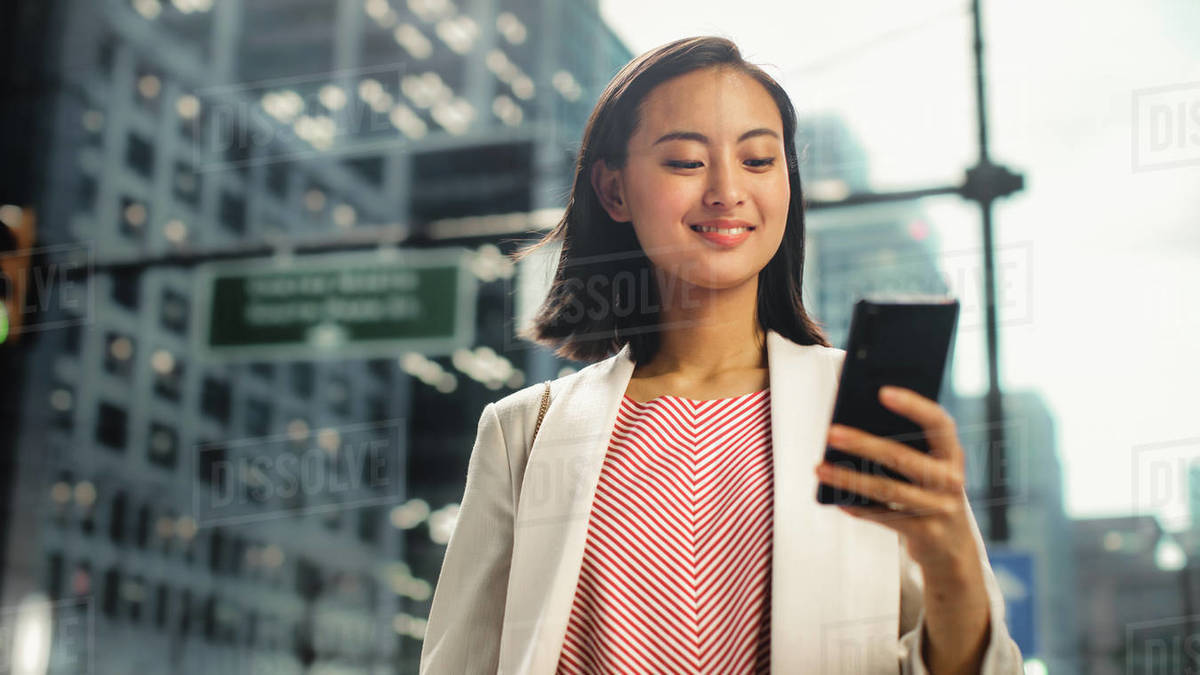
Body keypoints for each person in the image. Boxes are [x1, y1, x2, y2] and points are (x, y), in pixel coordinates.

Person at [419, 36, 1024, 674]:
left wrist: (952, 557)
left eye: (760, 160)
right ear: (613, 190)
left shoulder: (860, 402)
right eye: (684, 161)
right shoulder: (524, 431)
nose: (726, 191)